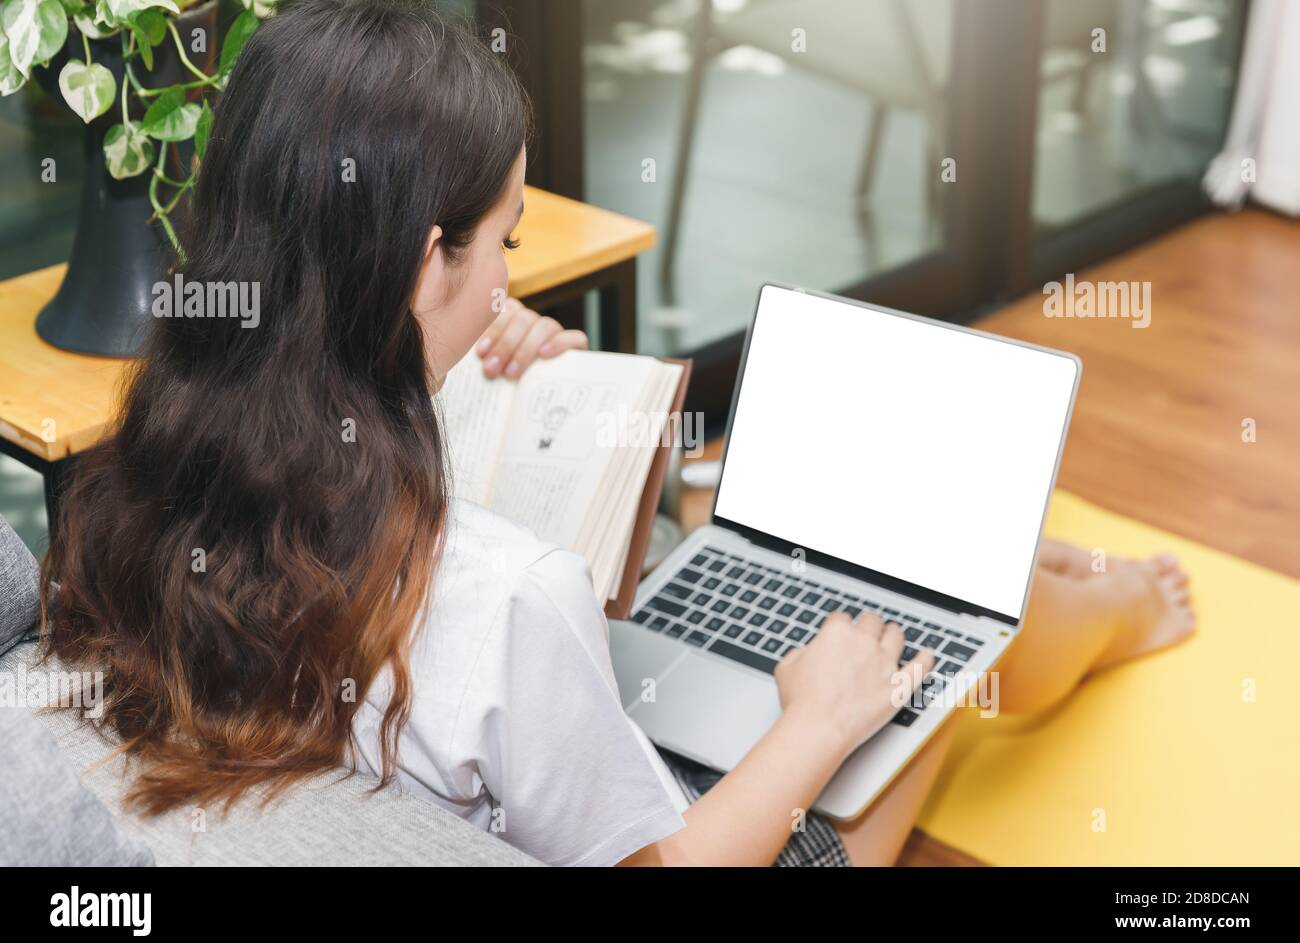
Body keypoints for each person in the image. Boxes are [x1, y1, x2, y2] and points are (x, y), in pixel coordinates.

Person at [38, 0, 1195, 867]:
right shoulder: (502, 598)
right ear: (415, 261)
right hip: (686, 826)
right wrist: (823, 718)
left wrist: (509, 380)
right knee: (925, 641)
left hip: (529, 756)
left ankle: (1041, 572)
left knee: (914, 596)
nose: (507, 280)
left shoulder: (150, 473)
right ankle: (1111, 602)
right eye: (502, 242)